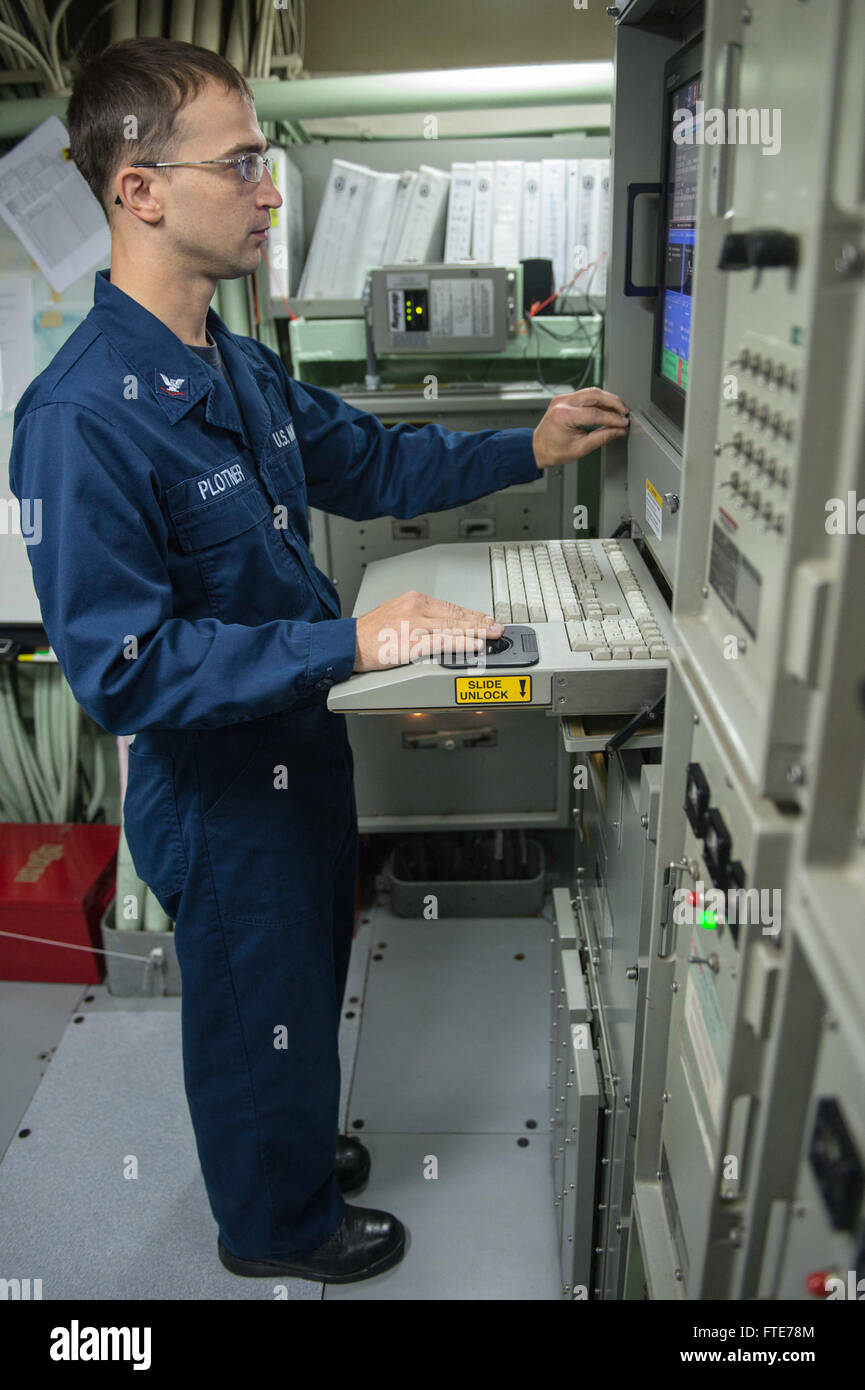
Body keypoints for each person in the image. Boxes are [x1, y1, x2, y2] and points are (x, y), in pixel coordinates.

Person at [9, 36, 629, 1285]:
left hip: (296, 753)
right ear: (139, 189)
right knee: (254, 1012)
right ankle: (274, 1227)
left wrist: (531, 441)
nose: (269, 187)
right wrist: (354, 638)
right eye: (240, 162)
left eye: (265, 158)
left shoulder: (228, 360)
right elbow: (125, 670)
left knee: (297, 981)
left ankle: (288, 1146)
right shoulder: (82, 419)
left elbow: (374, 462)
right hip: (221, 792)